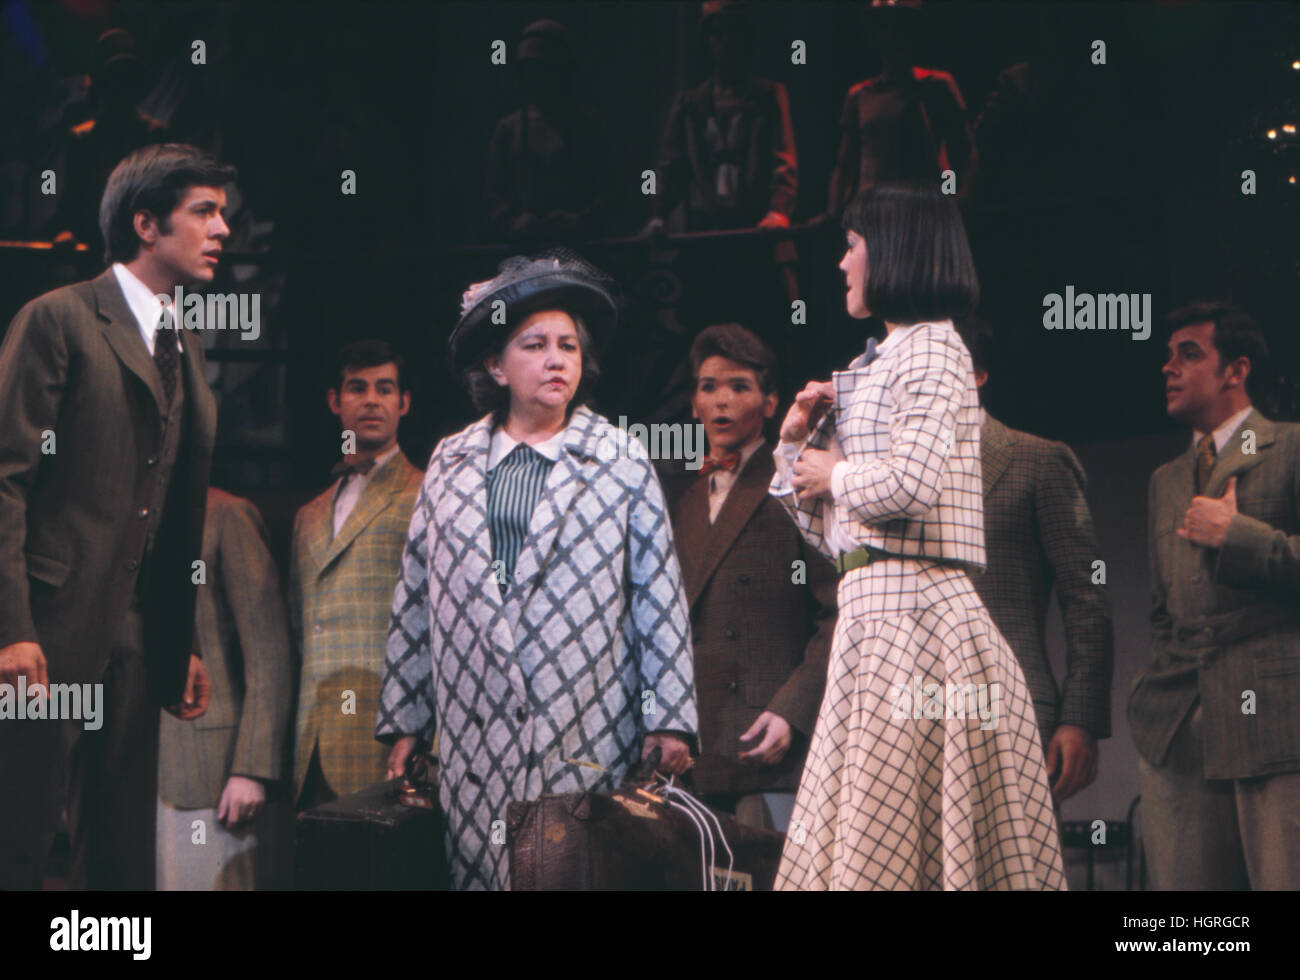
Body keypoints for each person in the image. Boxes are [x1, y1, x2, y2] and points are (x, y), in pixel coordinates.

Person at [771, 180, 1064, 890]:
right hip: (873, 613)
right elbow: (836, 532)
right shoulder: (880, 361)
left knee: (901, 831)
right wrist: (791, 451)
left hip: (918, 618)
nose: (842, 265)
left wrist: (836, 472)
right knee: (870, 829)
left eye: (852, 247)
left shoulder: (934, 351)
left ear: (895, 251)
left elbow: (912, 483)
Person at [377, 249, 698, 890]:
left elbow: (657, 592)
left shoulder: (619, 458)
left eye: (569, 347)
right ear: (494, 364)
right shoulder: (451, 461)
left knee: (570, 875)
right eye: (535, 345)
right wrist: (406, 718)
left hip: (585, 724)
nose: (556, 360)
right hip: (475, 733)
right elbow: (416, 595)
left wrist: (669, 716)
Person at [0, 143, 229, 889]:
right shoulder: (59, 320)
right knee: (21, 835)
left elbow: (172, 507)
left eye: (221, 212)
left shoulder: (185, 345)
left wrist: (178, 638)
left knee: (123, 851)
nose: (222, 229)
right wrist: (13, 629)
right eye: (203, 211)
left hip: (136, 637)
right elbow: (5, 481)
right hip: (48, 626)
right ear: (145, 224)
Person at [1130, 301, 1300, 890]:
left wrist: (1242, 537)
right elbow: (1161, 609)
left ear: (1236, 370)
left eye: (1189, 353)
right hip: (1178, 722)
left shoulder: (1293, 446)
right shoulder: (1166, 480)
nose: (1168, 367)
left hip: (1275, 718)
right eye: (1168, 355)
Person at [670, 323, 836, 831]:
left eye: (739, 387)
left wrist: (792, 710)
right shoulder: (683, 495)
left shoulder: (795, 480)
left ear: (769, 403)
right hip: (694, 749)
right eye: (709, 386)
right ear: (694, 403)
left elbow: (840, 610)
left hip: (768, 744)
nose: (722, 401)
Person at [955, 317, 1114, 798]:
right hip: (911, 708)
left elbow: (1086, 596)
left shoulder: (1037, 461)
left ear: (978, 374)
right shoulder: (887, 474)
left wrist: (1079, 718)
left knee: (1019, 871)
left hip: (1012, 706)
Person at [289, 340, 423, 809]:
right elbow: (300, 631)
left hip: (388, 740)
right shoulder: (309, 515)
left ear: (403, 403)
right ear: (335, 401)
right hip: (311, 743)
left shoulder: (427, 494)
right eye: (358, 388)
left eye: (385, 389)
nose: (371, 400)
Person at [157, 488, 292, 890]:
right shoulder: (121, 520)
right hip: (134, 764)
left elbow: (268, 649)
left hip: (211, 770)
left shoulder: (225, 515)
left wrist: (252, 768)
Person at [826, 0, 976, 217]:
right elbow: (845, 165)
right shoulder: (860, 95)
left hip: (925, 213)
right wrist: (834, 212)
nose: (892, 34)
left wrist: (960, 199)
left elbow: (965, 151)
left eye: (900, 26)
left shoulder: (936, 85)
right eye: (883, 25)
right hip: (873, 215)